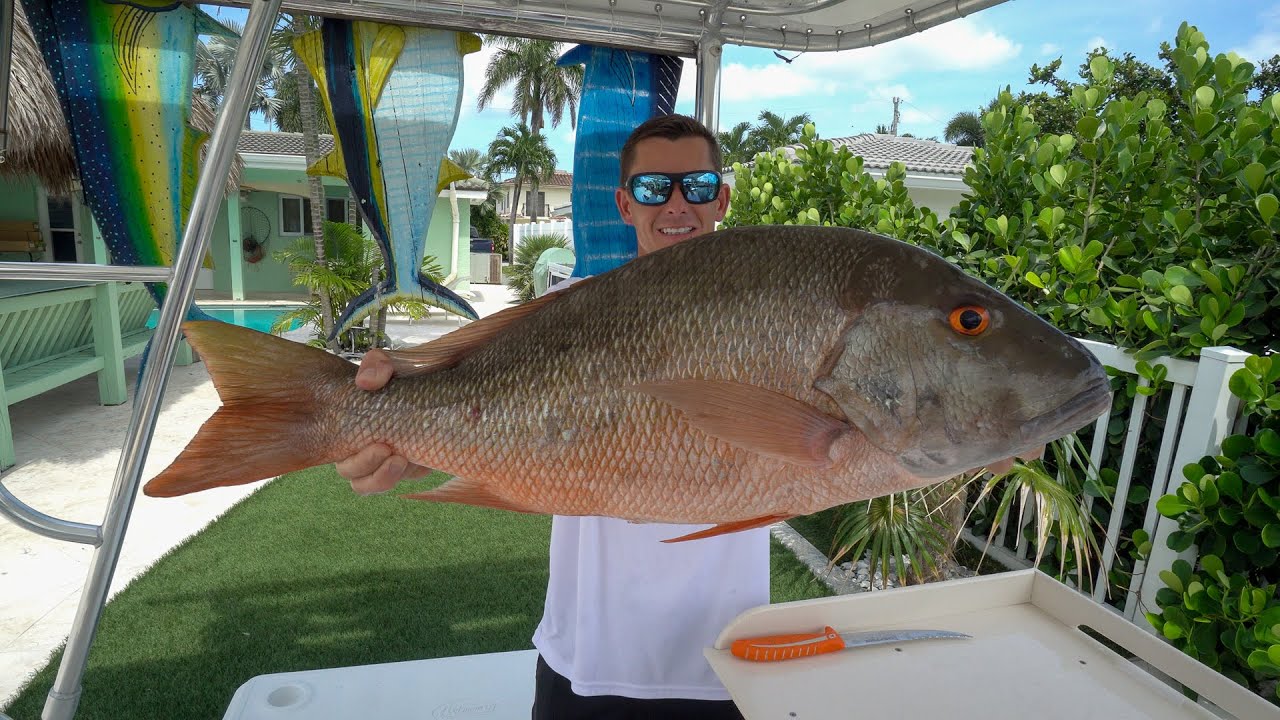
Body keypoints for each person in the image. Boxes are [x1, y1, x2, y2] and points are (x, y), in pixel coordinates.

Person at [335, 114, 766, 719]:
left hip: (727, 665)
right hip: (585, 660)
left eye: (696, 185)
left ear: (721, 199)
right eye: (652, 188)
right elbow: (484, 412)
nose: (676, 203)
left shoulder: (776, 316)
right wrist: (403, 445)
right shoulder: (566, 312)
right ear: (624, 204)